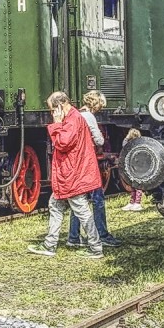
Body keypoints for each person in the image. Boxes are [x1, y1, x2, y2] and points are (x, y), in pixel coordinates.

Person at [27, 91, 104, 259]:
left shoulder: (72, 120)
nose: (51, 113)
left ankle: (96, 246)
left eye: (52, 110)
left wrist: (56, 124)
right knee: (55, 205)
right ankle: (50, 244)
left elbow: (62, 143)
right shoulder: (75, 117)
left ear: (60, 106)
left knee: (81, 210)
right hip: (72, 173)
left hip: (72, 174)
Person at [67, 91, 121, 248]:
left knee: (78, 199)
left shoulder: (75, 114)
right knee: (97, 198)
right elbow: (100, 140)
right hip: (87, 162)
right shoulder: (89, 117)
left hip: (75, 162)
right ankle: (102, 234)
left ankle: (74, 236)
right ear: (96, 104)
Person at [121, 127, 145, 212]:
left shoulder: (129, 144)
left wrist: (127, 138)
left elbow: (123, 145)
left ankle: (137, 203)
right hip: (134, 166)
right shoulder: (140, 143)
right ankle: (133, 202)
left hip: (136, 166)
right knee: (134, 185)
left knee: (136, 185)